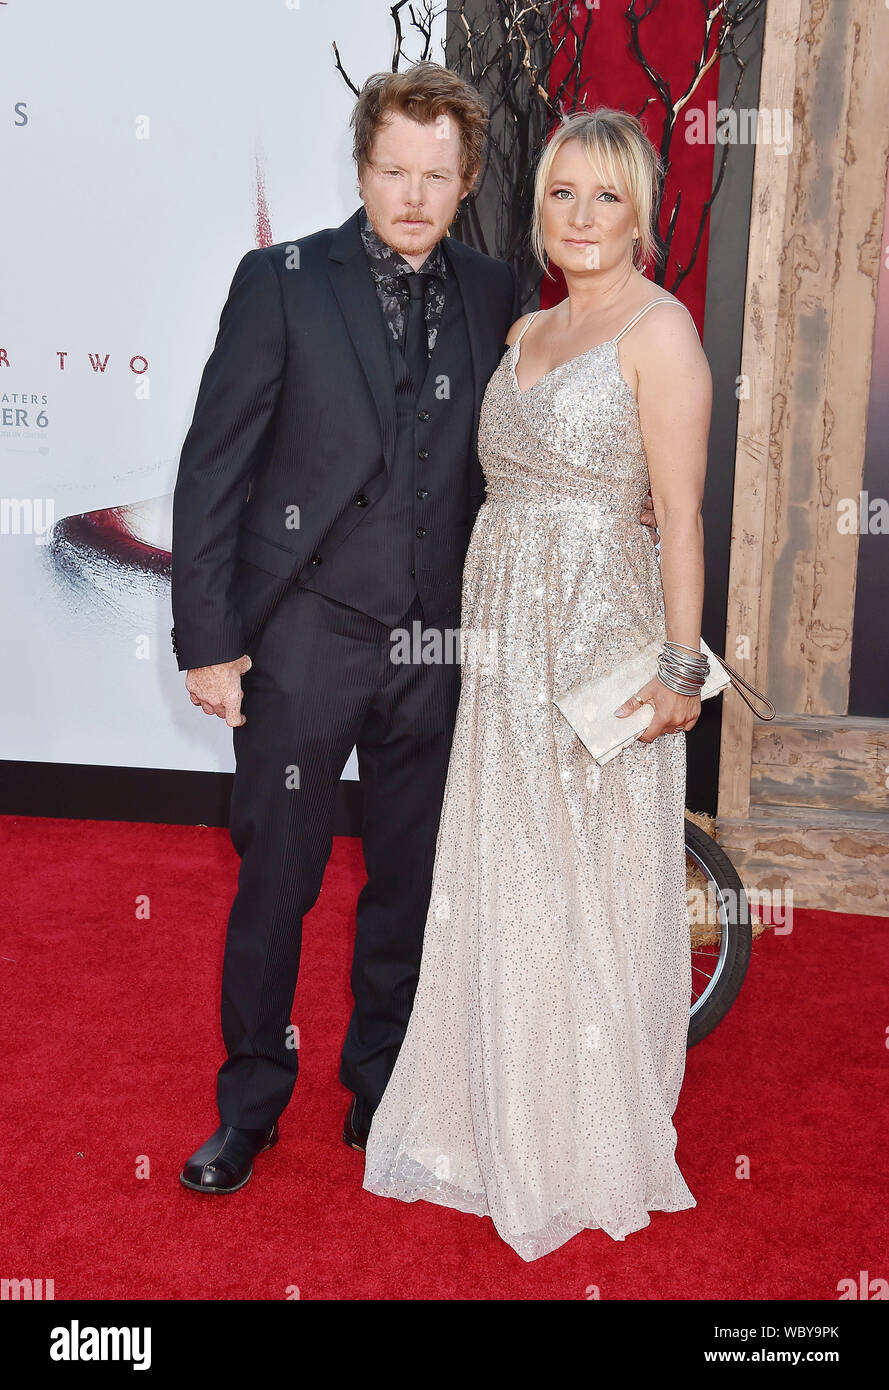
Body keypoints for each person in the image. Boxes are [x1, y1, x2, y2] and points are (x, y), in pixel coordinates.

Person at [171, 66, 657, 1196]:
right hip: (302, 641)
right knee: (276, 882)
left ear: (469, 181)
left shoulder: (500, 296)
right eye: (393, 170)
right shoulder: (280, 281)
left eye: (437, 176)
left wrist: (620, 492)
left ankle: (380, 1084)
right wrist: (210, 639)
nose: (412, 194)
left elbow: (544, 429)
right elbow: (214, 468)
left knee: (411, 885)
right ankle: (248, 1102)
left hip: (445, 651)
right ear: (361, 167)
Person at [362, 108, 712, 1260]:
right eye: (562, 193)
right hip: (503, 633)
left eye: (606, 196)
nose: (581, 217)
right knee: (505, 867)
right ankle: (492, 1103)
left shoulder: (662, 335)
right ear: (537, 206)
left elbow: (680, 520)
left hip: (595, 640)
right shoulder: (525, 327)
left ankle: (578, 1125)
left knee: (582, 873)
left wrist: (676, 667)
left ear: (642, 211)